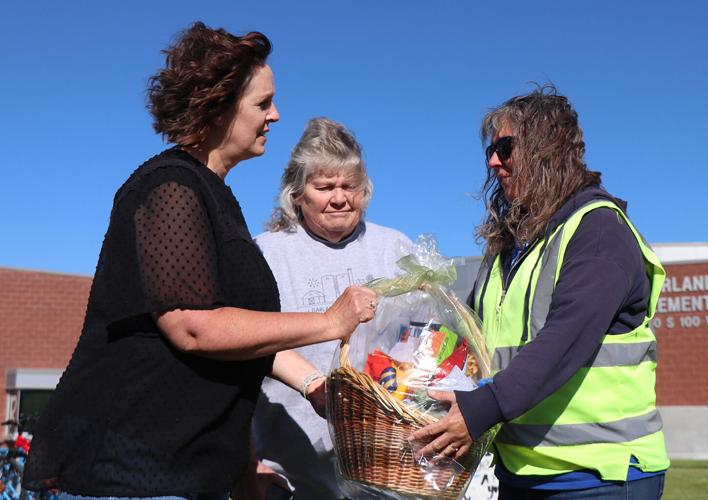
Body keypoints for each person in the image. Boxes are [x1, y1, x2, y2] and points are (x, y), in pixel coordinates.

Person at [22, 22, 377, 499]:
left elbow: (237, 340)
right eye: (262, 103)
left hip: (190, 474)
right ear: (219, 106)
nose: (275, 114)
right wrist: (330, 322)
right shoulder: (171, 187)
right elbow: (192, 327)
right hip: (128, 473)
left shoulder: (219, 201)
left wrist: (312, 384)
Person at [411, 85, 669, 499]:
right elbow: (473, 337)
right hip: (519, 470)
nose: (494, 162)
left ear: (545, 148)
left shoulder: (598, 231)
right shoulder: (508, 247)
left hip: (599, 474)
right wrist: (414, 372)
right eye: (490, 151)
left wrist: (479, 411)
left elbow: (563, 341)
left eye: (506, 147)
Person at [250, 117, 412, 499]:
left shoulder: (396, 249)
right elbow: (244, 349)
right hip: (288, 479)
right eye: (324, 187)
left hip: (386, 476)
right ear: (297, 193)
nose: (339, 197)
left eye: (349, 186)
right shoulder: (263, 254)